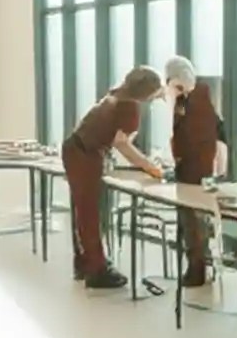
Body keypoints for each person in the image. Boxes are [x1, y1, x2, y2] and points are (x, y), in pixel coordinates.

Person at [62, 66, 164, 289]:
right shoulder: (128, 107)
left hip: (75, 149)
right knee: (88, 213)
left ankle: (85, 263)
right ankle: (97, 270)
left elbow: (107, 134)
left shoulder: (115, 95)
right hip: (84, 156)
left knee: (82, 211)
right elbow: (122, 143)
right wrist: (149, 166)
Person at [164, 56, 225, 287]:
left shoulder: (192, 99)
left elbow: (185, 137)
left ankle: (197, 268)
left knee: (192, 219)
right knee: (196, 218)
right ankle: (200, 265)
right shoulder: (201, 95)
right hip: (201, 168)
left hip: (194, 170)